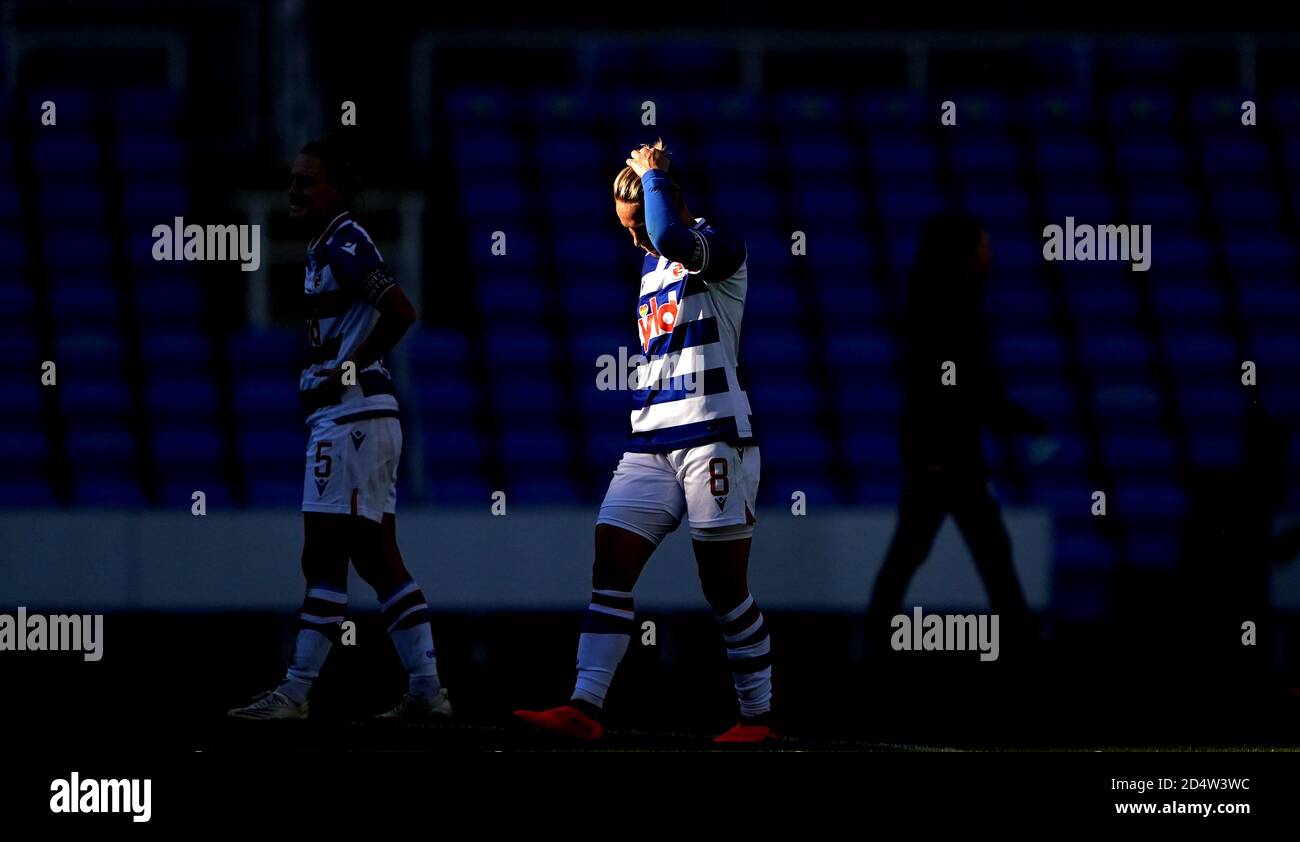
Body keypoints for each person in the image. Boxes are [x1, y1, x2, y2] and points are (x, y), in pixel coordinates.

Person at [513, 141, 774, 743]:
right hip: (652, 437)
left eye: (636, 227)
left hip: (714, 435)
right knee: (611, 561)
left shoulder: (718, 246)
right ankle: (585, 705)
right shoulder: (652, 265)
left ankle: (758, 716)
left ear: (668, 199)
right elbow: (659, 245)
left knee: (724, 587)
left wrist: (651, 174)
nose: (635, 241)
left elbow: (673, 237)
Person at [228, 136, 450, 721]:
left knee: (323, 557)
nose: (293, 189)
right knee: (378, 561)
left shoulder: (345, 244)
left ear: (335, 189)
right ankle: (428, 691)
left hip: (352, 421)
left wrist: (343, 372)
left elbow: (401, 308)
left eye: (307, 181)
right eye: (293, 180)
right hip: (364, 421)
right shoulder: (330, 244)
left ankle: (296, 692)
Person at [865, 212, 1045, 655]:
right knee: (977, 553)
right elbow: (958, 389)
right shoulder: (951, 310)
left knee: (937, 551)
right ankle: (1024, 649)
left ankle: (875, 643)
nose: (990, 253)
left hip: (945, 456)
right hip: (947, 458)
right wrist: (1016, 421)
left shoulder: (940, 304)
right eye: (982, 244)